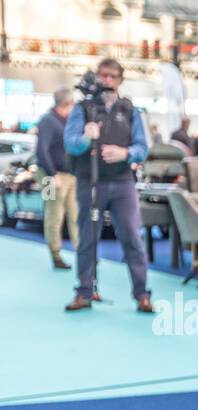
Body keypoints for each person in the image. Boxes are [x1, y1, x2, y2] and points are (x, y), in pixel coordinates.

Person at [63, 58, 152, 313]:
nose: (108, 81)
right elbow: (70, 143)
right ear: (98, 77)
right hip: (90, 183)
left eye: (113, 76)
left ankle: (142, 294)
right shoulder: (83, 109)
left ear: (120, 80)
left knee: (132, 239)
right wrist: (85, 138)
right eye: (104, 76)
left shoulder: (130, 110)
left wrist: (126, 153)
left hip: (123, 183)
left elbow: (142, 148)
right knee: (87, 240)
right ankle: (84, 291)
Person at [36, 88, 79, 270]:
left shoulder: (67, 121)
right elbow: (42, 150)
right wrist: (52, 174)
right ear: (66, 104)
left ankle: (83, 252)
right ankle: (55, 255)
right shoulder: (47, 120)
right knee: (53, 216)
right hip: (49, 176)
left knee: (75, 215)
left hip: (69, 175)